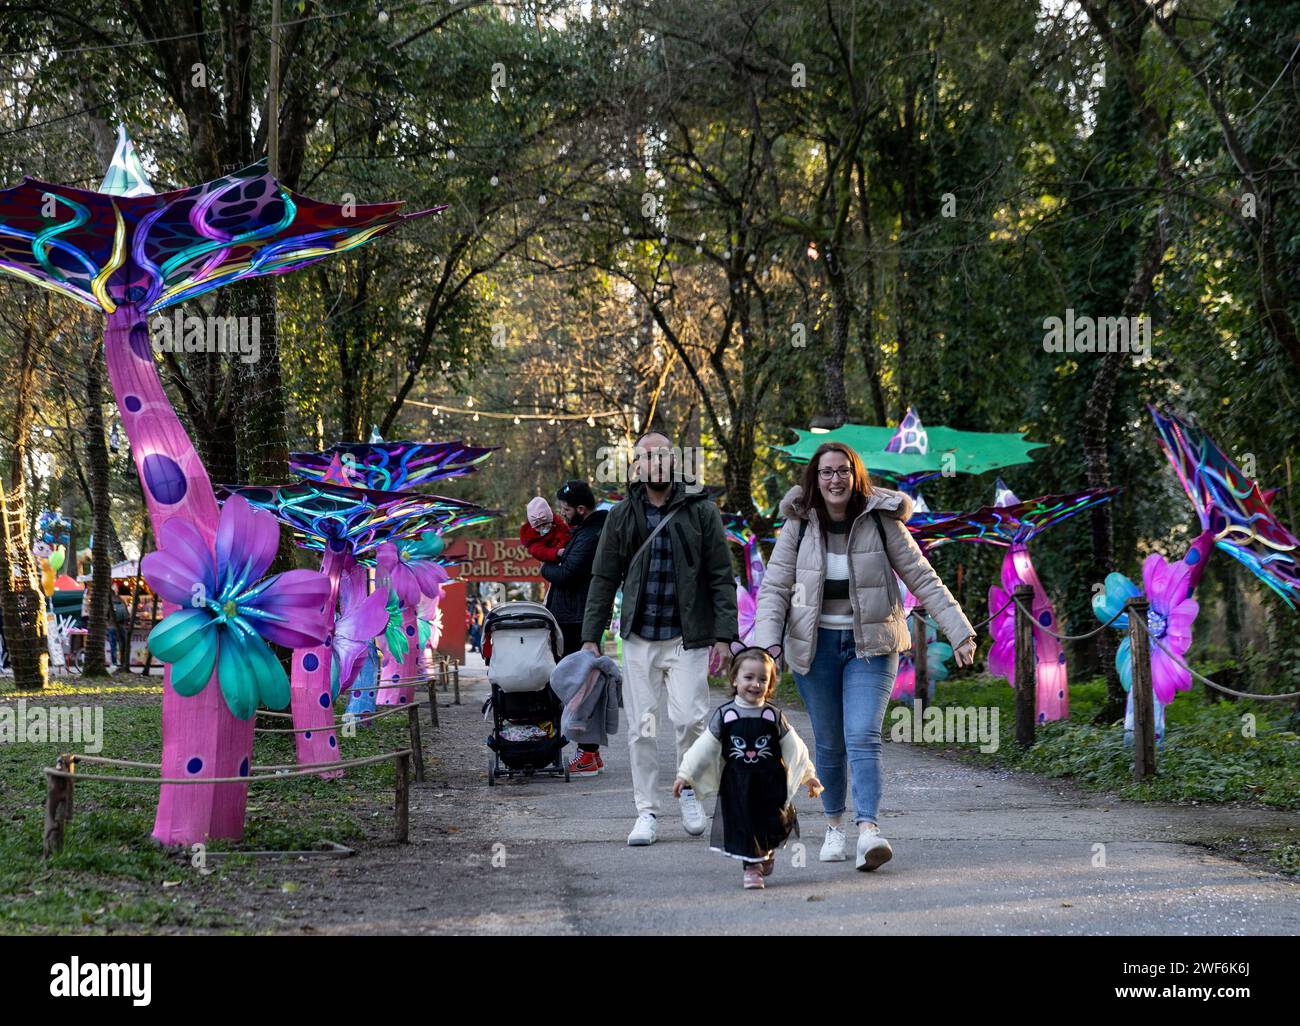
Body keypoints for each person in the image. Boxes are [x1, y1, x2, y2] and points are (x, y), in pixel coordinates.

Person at [753, 442, 976, 871]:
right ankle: (835, 825)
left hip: (871, 647)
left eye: (842, 471)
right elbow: (776, 589)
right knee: (830, 741)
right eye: (826, 472)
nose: (834, 479)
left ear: (855, 476)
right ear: (815, 480)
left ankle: (869, 830)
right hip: (814, 648)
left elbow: (922, 577)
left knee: (862, 735)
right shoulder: (798, 525)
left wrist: (959, 630)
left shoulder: (881, 520)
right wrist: (767, 648)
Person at [581, 430, 738, 847]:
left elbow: (721, 577)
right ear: (637, 466)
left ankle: (688, 790)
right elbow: (603, 577)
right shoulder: (620, 515)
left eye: (662, 455)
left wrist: (724, 635)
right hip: (638, 638)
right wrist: (590, 636)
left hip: (688, 636)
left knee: (690, 719)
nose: (654, 462)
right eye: (645, 457)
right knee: (642, 728)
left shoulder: (701, 510)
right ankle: (646, 812)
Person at [674, 644, 821, 889]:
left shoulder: (773, 716)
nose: (755, 684)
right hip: (737, 784)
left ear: (771, 682)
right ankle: (752, 868)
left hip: (770, 784)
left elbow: (795, 748)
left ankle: (766, 852)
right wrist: (685, 774)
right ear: (735, 679)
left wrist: (809, 776)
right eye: (748, 677)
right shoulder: (726, 715)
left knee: (772, 823)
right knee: (745, 825)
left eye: (762, 679)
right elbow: (704, 746)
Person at [537, 480, 609, 775]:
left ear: (581, 509)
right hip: (571, 617)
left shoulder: (590, 535)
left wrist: (543, 567)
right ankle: (588, 751)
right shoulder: (582, 531)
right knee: (576, 684)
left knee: (581, 687)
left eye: (566, 510)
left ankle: (588, 753)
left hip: (577, 621)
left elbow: (567, 574)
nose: (562, 515)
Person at [520, 496, 571, 563]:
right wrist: (556, 552)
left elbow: (565, 532)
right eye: (538, 527)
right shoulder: (531, 538)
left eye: (544, 524)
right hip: (553, 560)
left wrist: (564, 542)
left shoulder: (557, 523)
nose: (542, 528)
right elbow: (540, 552)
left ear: (551, 520)